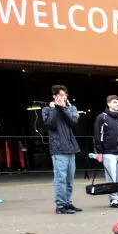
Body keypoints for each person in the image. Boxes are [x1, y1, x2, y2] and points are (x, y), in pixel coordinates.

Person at [42, 84, 82, 214]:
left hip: (71, 147)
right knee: (60, 179)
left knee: (69, 179)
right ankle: (60, 205)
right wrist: (55, 109)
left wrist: (63, 109)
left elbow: (73, 122)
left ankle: (68, 202)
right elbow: (50, 125)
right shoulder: (47, 110)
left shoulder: (71, 108)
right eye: (61, 95)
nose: (64, 98)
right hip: (58, 148)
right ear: (54, 96)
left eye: (65, 95)